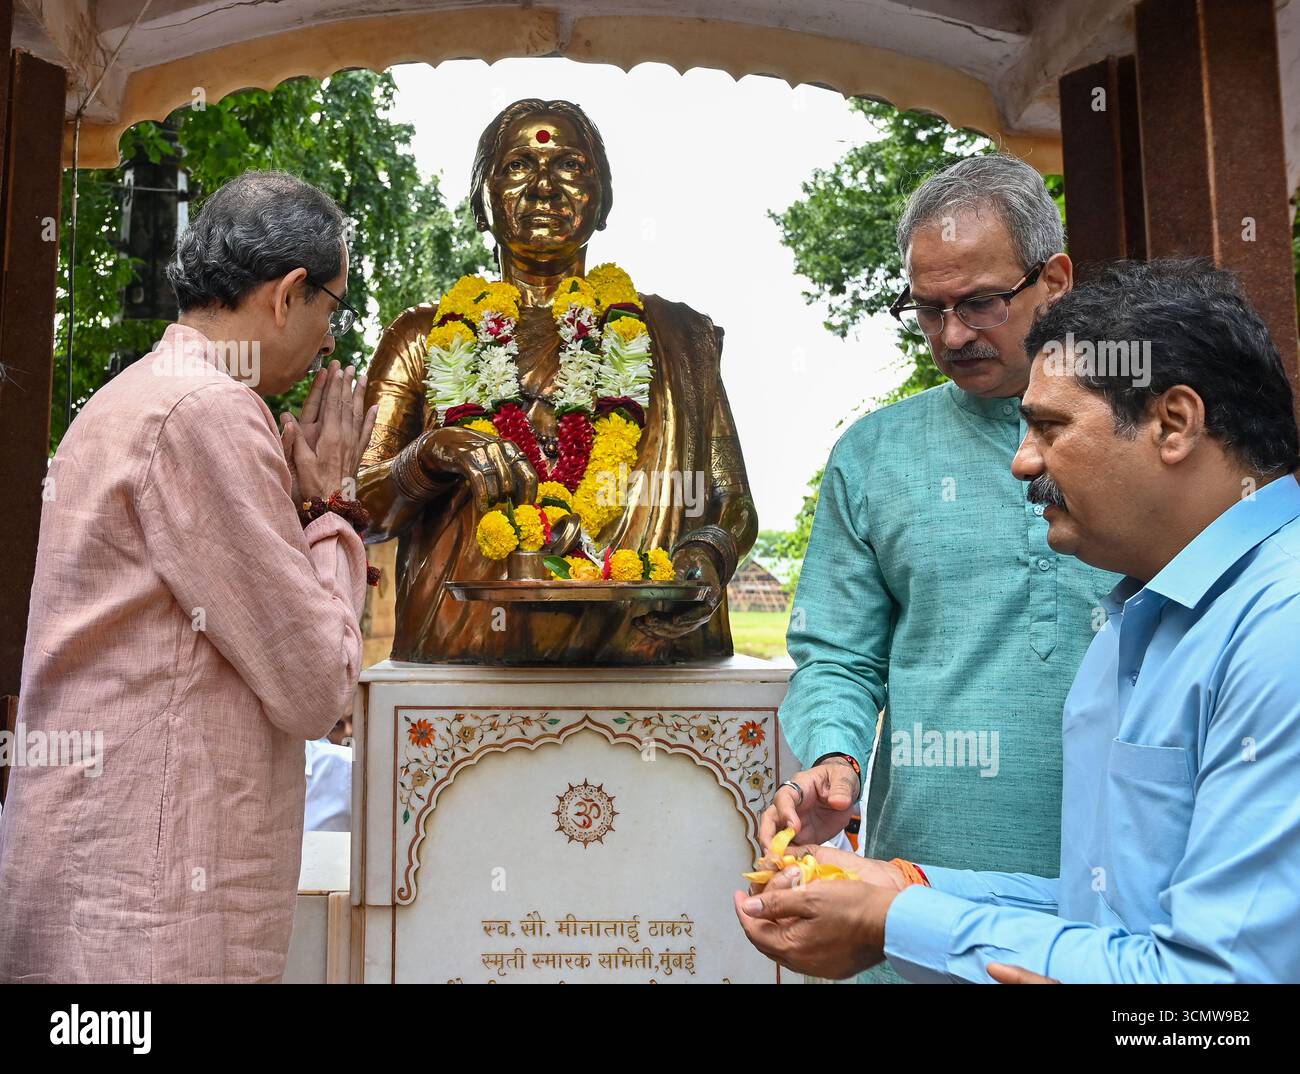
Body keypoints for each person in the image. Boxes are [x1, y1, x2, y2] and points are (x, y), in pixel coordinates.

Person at [737, 259, 1300, 983]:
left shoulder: (1279, 628)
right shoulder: (1140, 616)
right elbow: (1103, 918)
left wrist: (897, 920)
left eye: (1049, 427)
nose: (1021, 462)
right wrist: (903, 888)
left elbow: (1212, 997)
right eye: (928, 307)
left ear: (1173, 423)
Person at [0, 171, 377, 983]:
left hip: (104, 889)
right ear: (288, 295)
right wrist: (331, 508)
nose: (331, 343)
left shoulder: (131, 395)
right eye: (334, 309)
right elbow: (316, 686)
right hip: (150, 913)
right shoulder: (207, 410)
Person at [765, 155, 1118, 981]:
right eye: (928, 309)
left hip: (1121, 894)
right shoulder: (874, 454)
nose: (953, 334)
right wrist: (834, 759)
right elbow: (839, 654)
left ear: (1055, 280)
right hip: (916, 899)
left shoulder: (1144, 438)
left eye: (980, 303)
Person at [357, 98, 757, 664]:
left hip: (646, 662)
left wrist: (710, 554)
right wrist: (427, 456)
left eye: (570, 165)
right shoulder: (422, 337)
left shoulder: (676, 336)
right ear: (482, 198)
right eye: (518, 166)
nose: (544, 187)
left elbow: (731, 502)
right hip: (462, 670)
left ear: (603, 200)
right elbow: (359, 511)